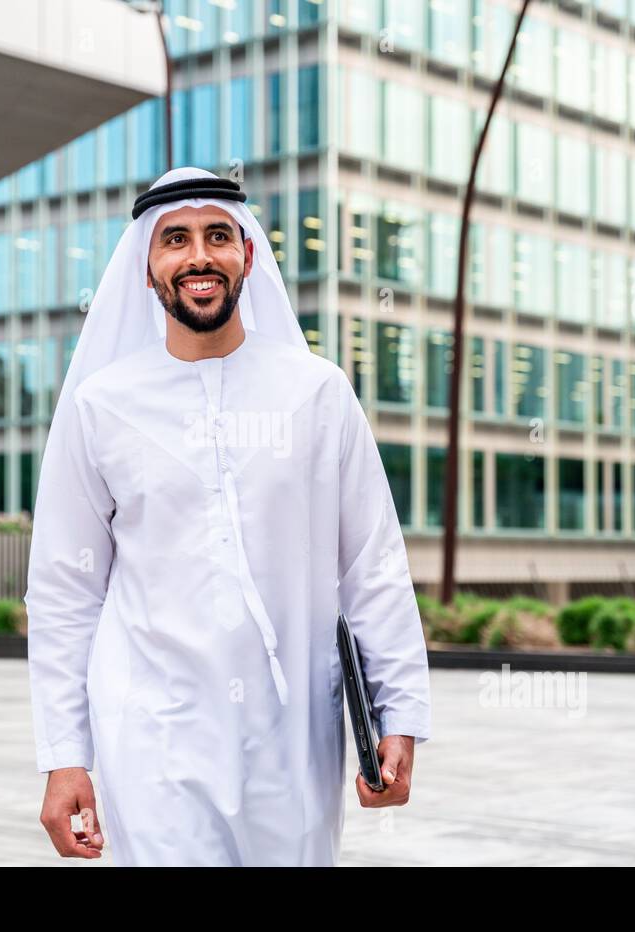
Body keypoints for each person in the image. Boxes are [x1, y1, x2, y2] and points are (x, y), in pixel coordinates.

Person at [26, 166, 432, 866]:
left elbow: (373, 565)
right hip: (152, 734)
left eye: (218, 235)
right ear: (149, 271)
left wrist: (400, 716)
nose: (198, 256)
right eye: (174, 240)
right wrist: (66, 756)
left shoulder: (318, 394)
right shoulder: (101, 405)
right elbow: (66, 588)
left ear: (247, 254)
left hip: (295, 734)